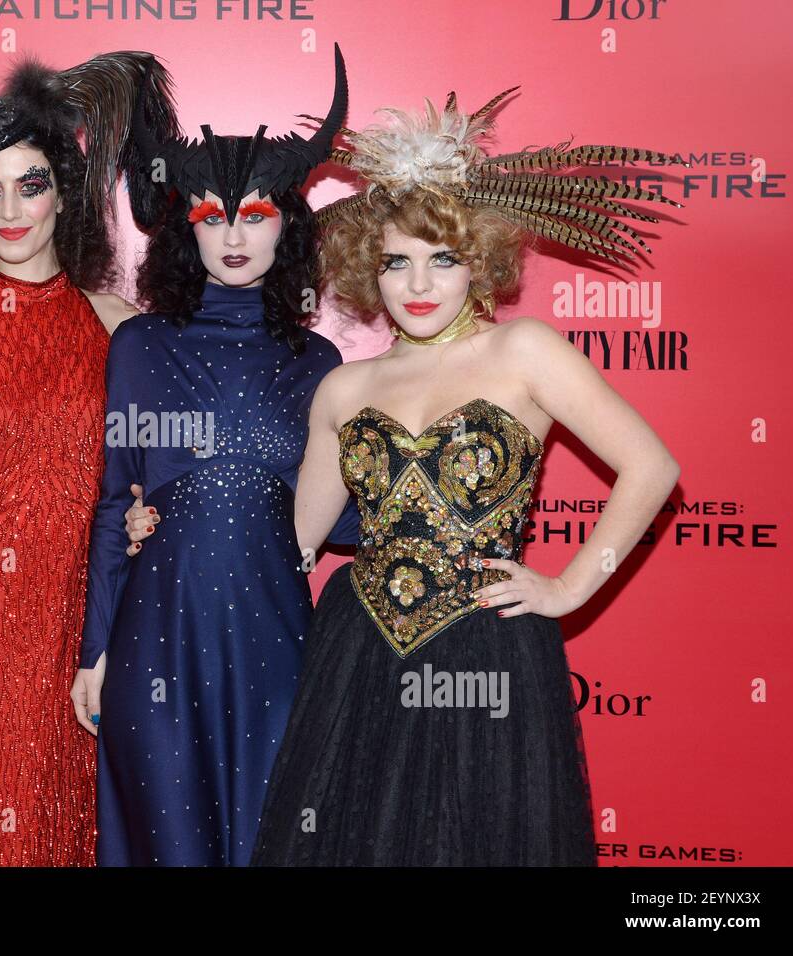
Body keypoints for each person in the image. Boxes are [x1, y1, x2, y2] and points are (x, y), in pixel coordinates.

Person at [247, 89, 684, 865]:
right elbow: (294, 543)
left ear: (476, 259)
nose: (418, 283)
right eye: (397, 262)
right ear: (366, 269)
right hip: (359, 651)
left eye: (440, 259)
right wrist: (175, 512)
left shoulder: (524, 352)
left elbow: (652, 467)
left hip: (490, 648)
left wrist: (570, 587)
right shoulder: (345, 388)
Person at [0, 53, 176, 866]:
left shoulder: (118, 324)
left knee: (77, 834)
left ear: (65, 192)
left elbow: (139, 482)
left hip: (82, 630)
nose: (9, 210)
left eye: (31, 184)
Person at [72, 46, 357, 866]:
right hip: (154, 641)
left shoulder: (317, 365)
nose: (233, 236)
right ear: (184, 230)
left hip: (279, 646)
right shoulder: (139, 346)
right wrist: (95, 650)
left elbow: (336, 519)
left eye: (256, 215)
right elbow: (110, 501)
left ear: (287, 226)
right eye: (210, 218)